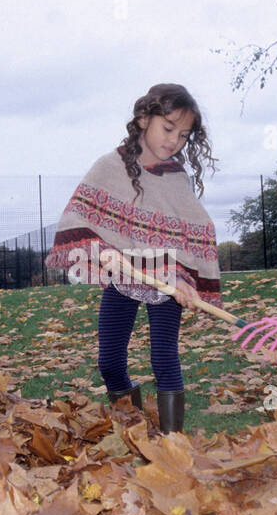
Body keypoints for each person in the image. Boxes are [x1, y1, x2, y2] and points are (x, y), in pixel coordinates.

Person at [45, 83, 221, 434]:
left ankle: (173, 442)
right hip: (124, 278)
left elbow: (195, 230)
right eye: (168, 128)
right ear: (144, 118)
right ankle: (133, 427)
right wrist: (104, 250)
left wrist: (185, 282)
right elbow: (78, 214)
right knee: (109, 363)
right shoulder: (110, 166)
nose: (174, 141)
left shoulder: (175, 179)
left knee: (163, 359)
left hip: (165, 282)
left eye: (184, 135)